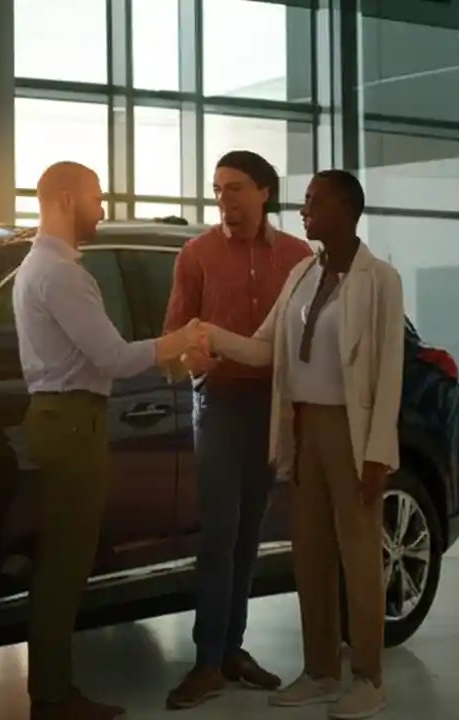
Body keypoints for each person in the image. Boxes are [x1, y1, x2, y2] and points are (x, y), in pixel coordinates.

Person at [201, 170, 403, 719]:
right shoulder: (301, 275)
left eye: (314, 202)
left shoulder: (380, 279)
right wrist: (208, 335)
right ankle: (320, 671)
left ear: (347, 209)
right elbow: (266, 349)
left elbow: (389, 374)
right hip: (304, 427)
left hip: (353, 434)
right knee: (309, 554)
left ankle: (368, 677)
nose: (304, 209)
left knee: (360, 558)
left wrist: (380, 452)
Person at [14, 160, 206, 720]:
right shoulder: (63, 274)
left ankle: (52, 690)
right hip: (74, 423)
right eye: (98, 199)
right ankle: (52, 697)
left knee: (62, 563)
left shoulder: (35, 267)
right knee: (64, 567)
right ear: (69, 199)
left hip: (58, 418)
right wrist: (182, 339)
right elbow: (115, 358)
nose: (103, 210)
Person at [162, 150, 313, 709]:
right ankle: (206, 662)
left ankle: (232, 651)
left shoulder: (299, 257)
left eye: (235, 188)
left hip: (274, 409)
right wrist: (190, 361)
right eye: (218, 189)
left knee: (250, 536)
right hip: (220, 408)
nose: (224, 198)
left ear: (264, 192)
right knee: (219, 535)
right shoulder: (196, 255)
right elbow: (173, 339)